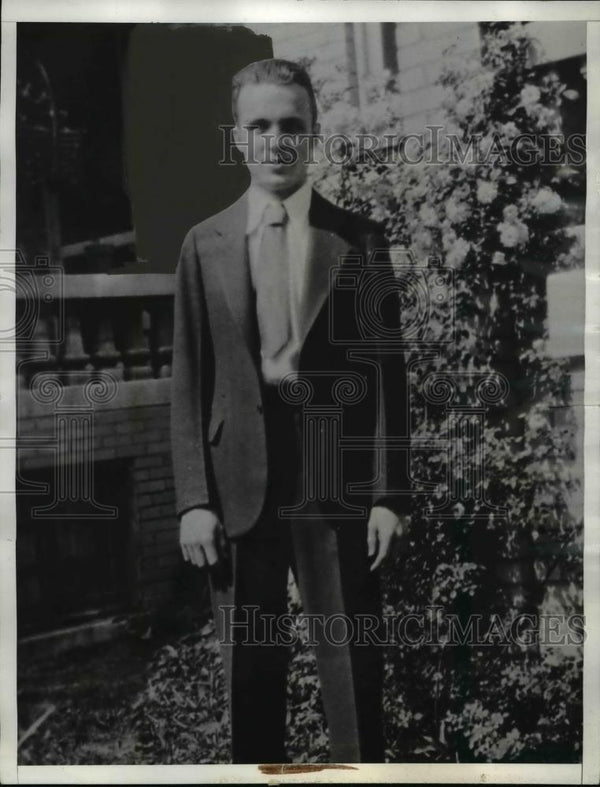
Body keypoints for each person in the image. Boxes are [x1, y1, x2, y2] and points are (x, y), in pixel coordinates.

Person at [170, 58, 410, 764]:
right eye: (260, 125)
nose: (277, 140)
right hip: (238, 486)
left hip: (333, 486)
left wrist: (390, 494)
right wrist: (191, 499)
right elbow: (188, 381)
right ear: (238, 138)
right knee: (251, 682)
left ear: (313, 133)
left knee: (354, 686)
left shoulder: (359, 241)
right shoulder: (203, 244)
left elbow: (387, 378)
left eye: (292, 125)